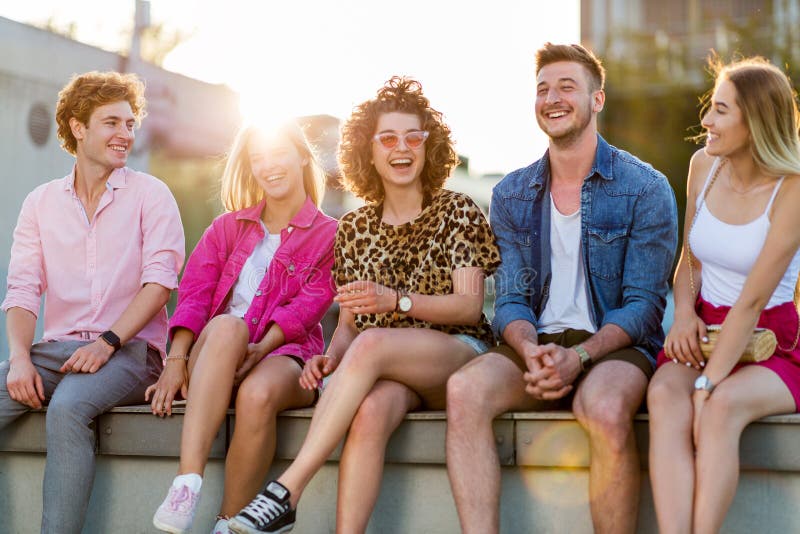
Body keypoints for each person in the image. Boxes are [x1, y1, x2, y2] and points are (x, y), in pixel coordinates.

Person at [227, 76, 500, 534]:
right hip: (385, 368)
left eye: (414, 136)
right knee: (370, 412)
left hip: (458, 353)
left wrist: (397, 301)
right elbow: (350, 325)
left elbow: (469, 309)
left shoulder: (459, 210)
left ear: (428, 146)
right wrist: (330, 359)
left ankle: (287, 489)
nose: (402, 147)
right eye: (388, 137)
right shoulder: (353, 228)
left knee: (374, 344)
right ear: (367, 149)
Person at [445, 43, 678, 534]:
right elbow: (510, 298)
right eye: (543, 89)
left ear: (597, 100)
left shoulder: (645, 187)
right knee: (464, 389)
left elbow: (644, 307)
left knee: (606, 407)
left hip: (616, 347)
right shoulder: (511, 193)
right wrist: (529, 349)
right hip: (536, 345)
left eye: (567, 87)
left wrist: (584, 357)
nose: (552, 98)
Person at [0, 71, 185, 534]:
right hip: (58, 351)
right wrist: (20, 359)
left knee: (68, 407)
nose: (125, 134)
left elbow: (160, 283)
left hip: (131, 352)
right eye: (111, 123)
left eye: (129, 123)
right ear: (78, 128)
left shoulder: (151, 195)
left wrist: (106, 341)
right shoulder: (40, 204)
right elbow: (23, 290)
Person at [149, 120, 337, 534]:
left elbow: (309, 306)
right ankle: (187, 483)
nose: (269, 166)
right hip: (216, 352)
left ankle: (226, 524)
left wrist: (263, 346)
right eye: (258, 159)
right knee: (231, 328)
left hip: (285, 354)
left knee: (258, 393)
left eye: (278, 154)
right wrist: (176, 359)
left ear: (302, 156)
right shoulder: (227, 228)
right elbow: (195, 296)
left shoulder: (330, 235)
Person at [647, 56, 800, 534]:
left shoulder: (792, 190)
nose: (706, 121)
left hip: (772, 342)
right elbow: (689, 259)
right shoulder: (702, 166)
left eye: (719, 110)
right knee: (663, 398)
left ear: (754, 122)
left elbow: (752, 303)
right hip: (703, 329)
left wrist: (705, 386)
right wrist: (684, 315)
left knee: (719, 410)